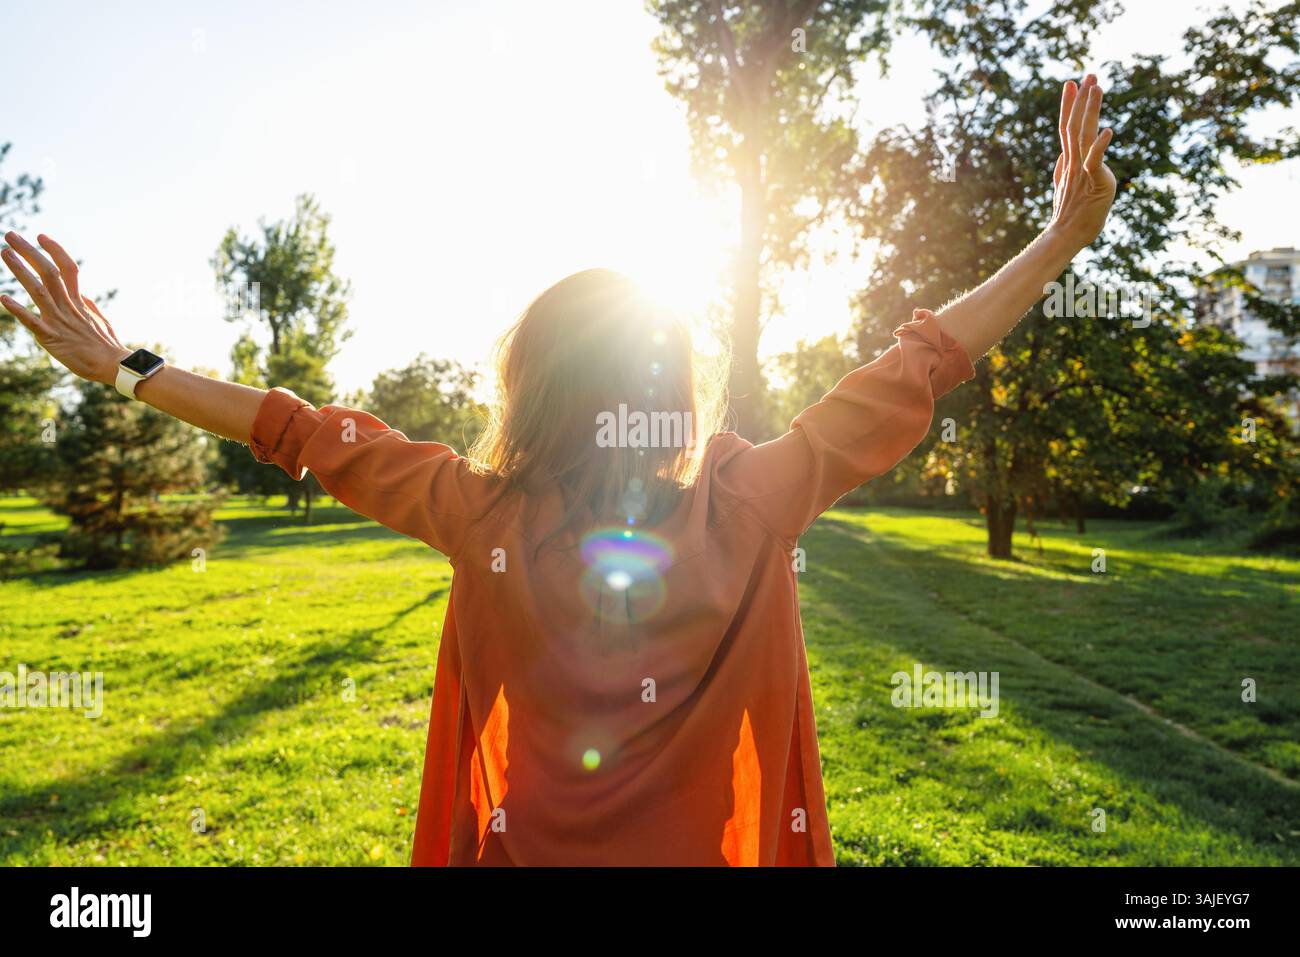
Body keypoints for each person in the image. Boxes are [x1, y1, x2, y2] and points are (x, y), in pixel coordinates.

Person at [1, 76, 1115, 866]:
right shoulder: (753, 500)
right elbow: (920, 364)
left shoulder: (471, 506)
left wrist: (125, 362)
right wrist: (1057, 240)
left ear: (526, 386)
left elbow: (292, 430)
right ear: (674, 387)